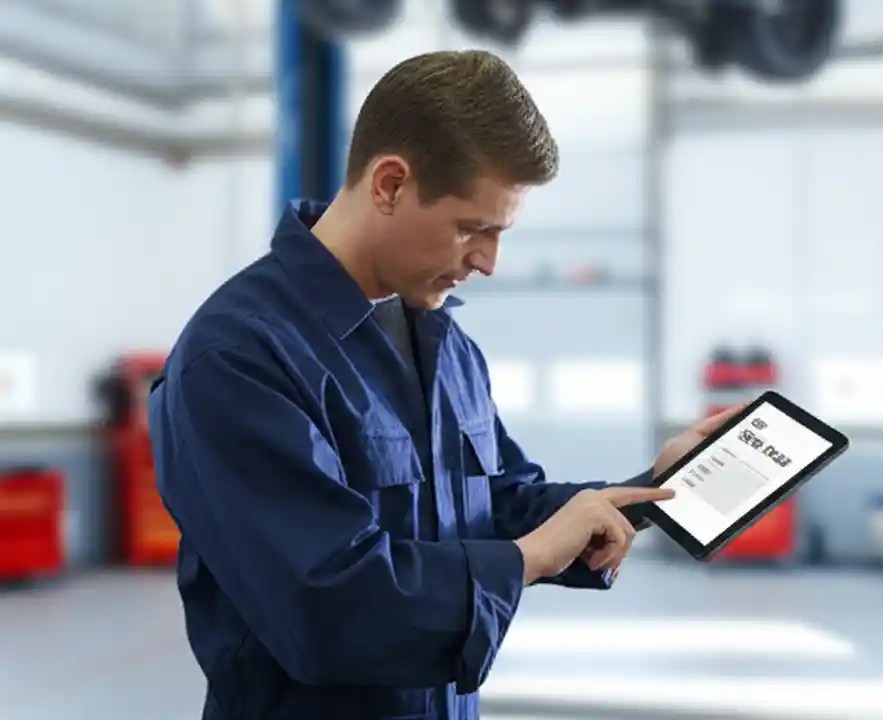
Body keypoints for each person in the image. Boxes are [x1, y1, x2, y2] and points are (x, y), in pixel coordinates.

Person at [148, 50, 742, 720]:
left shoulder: (442, 339)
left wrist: (647, 490)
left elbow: (503, 502)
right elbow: (327, 606)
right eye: (472, 229)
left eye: (499, 233)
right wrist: (524, 561)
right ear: (390, 185)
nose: (488, 263)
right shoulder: (238, 356)